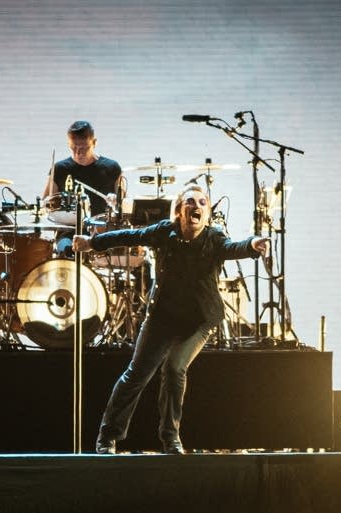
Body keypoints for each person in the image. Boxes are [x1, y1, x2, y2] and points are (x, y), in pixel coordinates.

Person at [73, 185, 270, 454]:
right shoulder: (165, 232)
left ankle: (170, 438)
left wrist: (252, 245)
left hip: (199, 320)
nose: (196, 206)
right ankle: (108, 437)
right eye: (190, 201)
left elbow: (233, 247)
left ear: (207, 212)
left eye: (202, 202)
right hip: (163, 317)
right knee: (137, 374)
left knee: (175, 368)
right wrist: (93, 242)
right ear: (179, 210)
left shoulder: (214, 238)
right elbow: (131, 236)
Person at [43, 120, 123, 255]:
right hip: (69, 232)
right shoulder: (60, 169)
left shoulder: (111, 168)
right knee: (66, 250)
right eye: (73, 148)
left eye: (84, 148)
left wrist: (116, 201)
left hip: (101, 233)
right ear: (69, 144)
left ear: (94, 142)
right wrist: (47, 203)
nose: (78, 153)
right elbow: (46, 202)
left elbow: (123, 206)